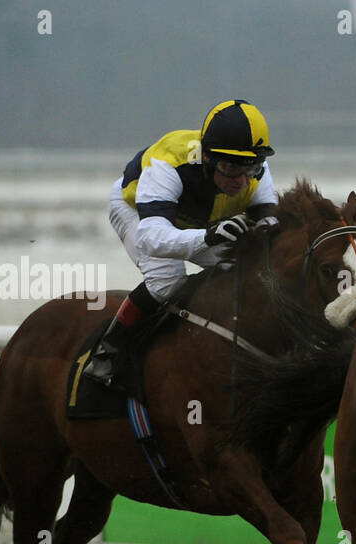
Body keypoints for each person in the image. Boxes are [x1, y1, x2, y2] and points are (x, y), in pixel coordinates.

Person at [83, 99, 279, 388]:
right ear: (208, 158)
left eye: (250, 169)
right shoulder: (169, 164)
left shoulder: (257, 173)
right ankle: (107, 352)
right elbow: (150, 238)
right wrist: (206, 238)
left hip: (196, 219)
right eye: (229, 167)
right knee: (167, 283)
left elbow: (269, 231)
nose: (240, 180)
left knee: (246, 270)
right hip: (138, 209)